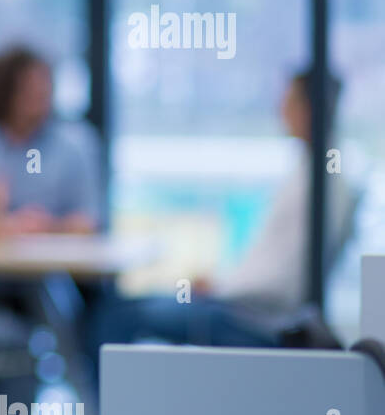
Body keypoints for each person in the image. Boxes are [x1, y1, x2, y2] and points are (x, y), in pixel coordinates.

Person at [88, 68, 354, 362]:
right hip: (245, 307)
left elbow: (282, 284)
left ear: (308, 108)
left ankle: (105, 408)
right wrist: (222, 285)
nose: (280, 109)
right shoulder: (316, 171)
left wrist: (221, 289)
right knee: (122, 307)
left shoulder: (324, 181)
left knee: (119, 317)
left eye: (288, 100)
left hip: (255, 321)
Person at [0, 44, 105, 238]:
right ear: (4, 92)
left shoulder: (76, 144)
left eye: (44, 86)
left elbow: (91, 221)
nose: (40, 95)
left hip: (54, 262)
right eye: (27, 89)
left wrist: (48, 226)